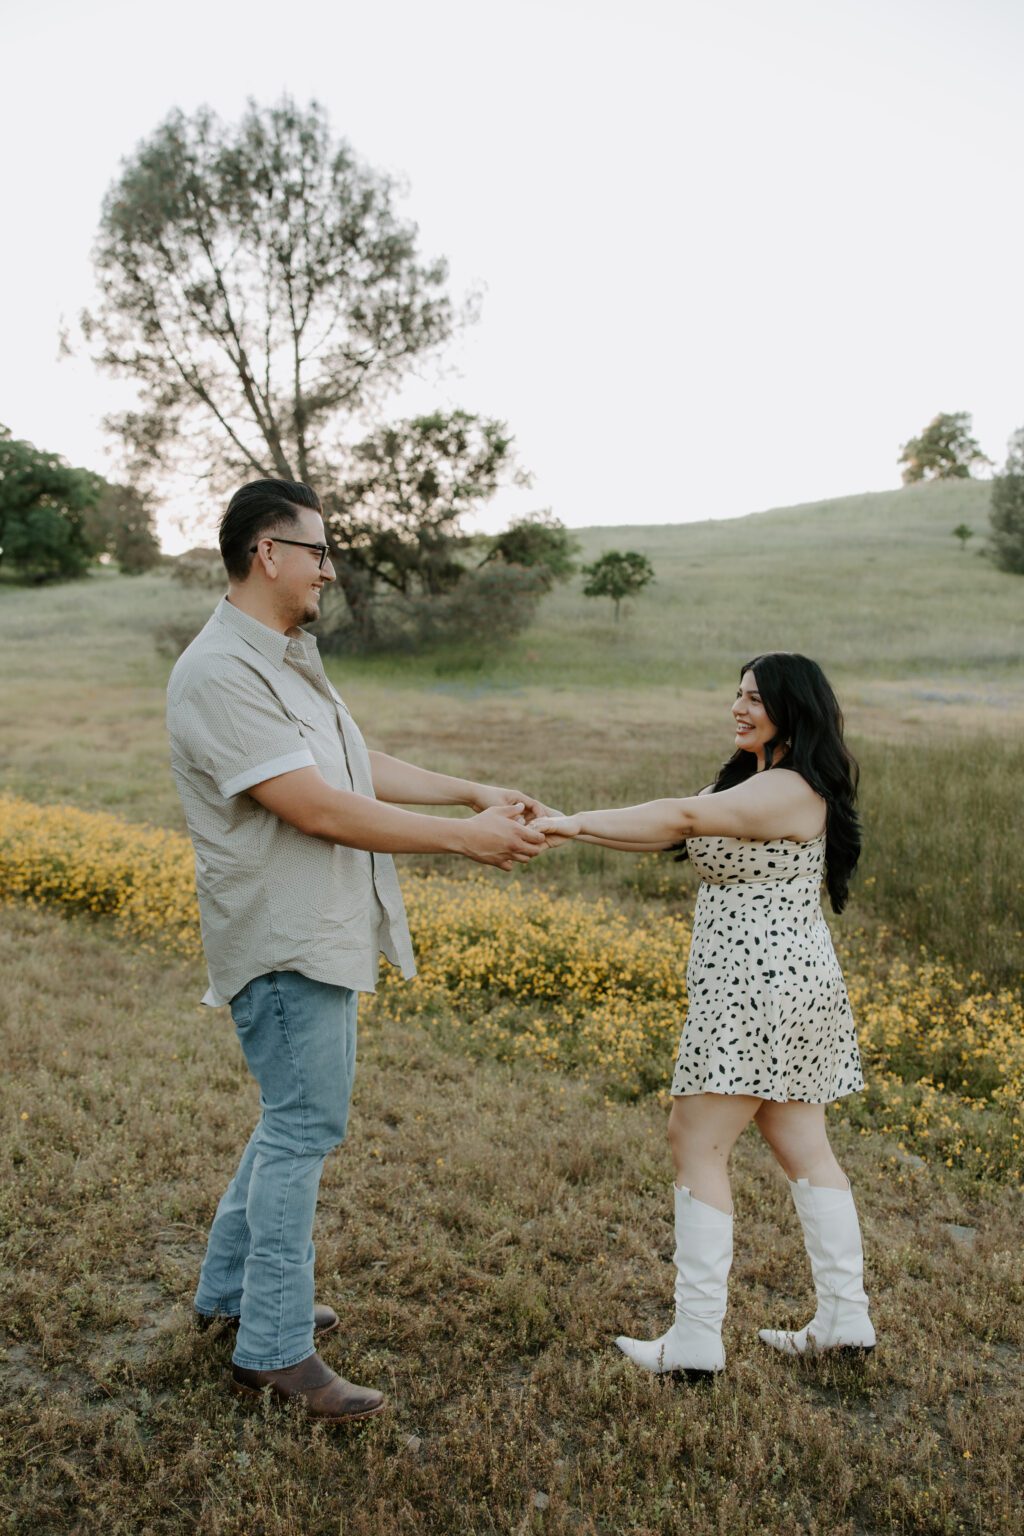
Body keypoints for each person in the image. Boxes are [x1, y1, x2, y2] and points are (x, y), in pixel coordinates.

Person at [166, 478, 553, 1423]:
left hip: (317, 932)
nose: (329, 572)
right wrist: (469, 844)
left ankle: (230, 1299)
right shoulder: (220, 672)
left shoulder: (286, 659)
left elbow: (349, 765)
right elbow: (315, 807)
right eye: (319, 552)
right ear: (269, 553)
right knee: (303, 1129)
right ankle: (274, 1348)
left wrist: (467, 792)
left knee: (287, 1119)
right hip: (283, 938)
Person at [532, 653, 875, 1380]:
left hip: (758, 992)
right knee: (801, 1144)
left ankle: (695, 1338)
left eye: (756, 698)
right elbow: (668, 830)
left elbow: (685, 817)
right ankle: (846, 1319)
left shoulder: (789, 788)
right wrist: (571, 830)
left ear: (795, 706)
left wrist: (573, 823)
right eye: (737, 694)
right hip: (781, 987)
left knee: (696, 1141)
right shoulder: (751, 780)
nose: (739, 707)